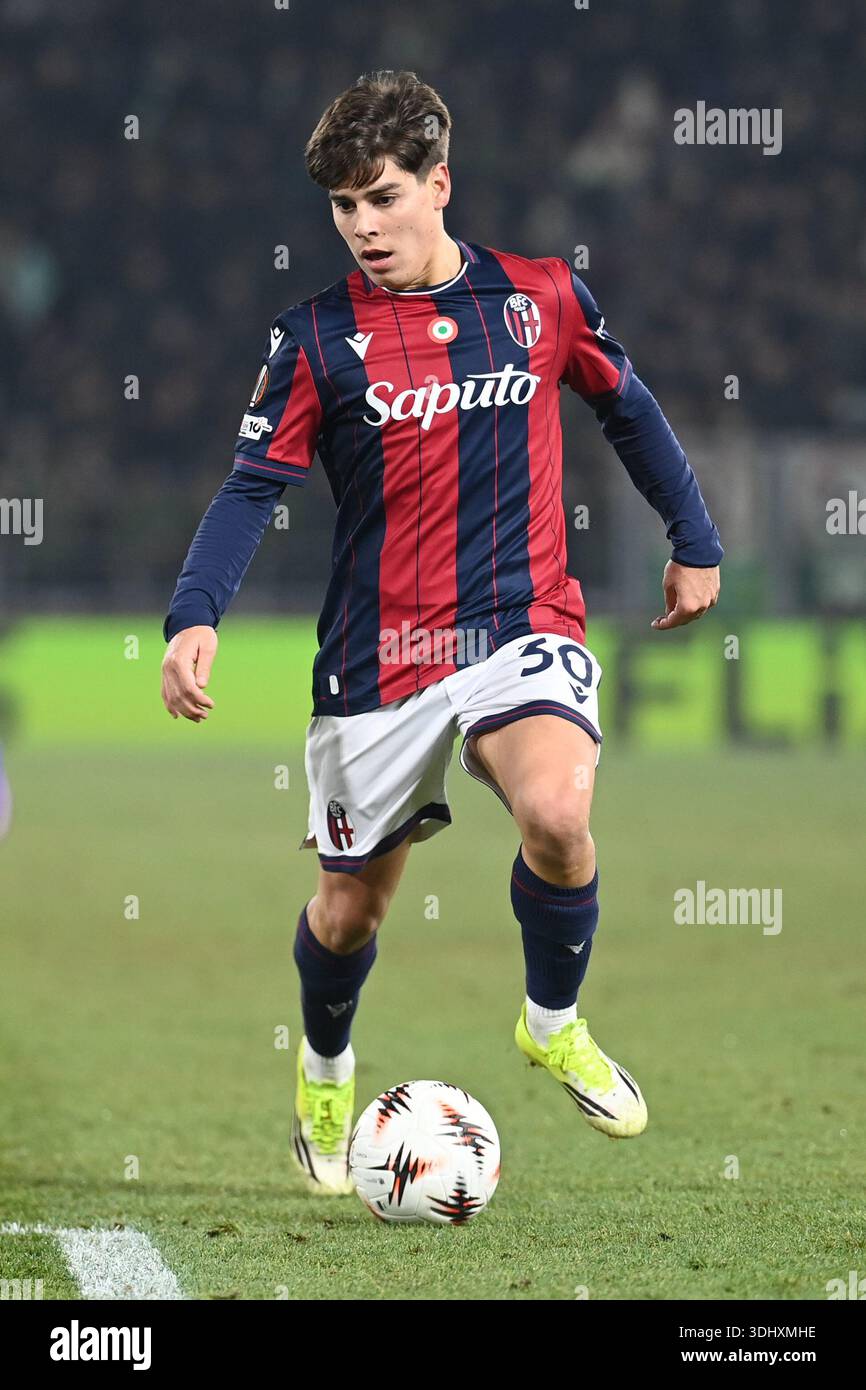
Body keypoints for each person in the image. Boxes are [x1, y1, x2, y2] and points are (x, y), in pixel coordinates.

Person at [162, 70, 722, 1195]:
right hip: (377, 657)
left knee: (560, 811)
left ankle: (550, 1019)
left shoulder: (540, 300)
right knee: (347, 908)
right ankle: (325, 1069)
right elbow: (246, 488)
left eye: (380, 197)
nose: (362, 226)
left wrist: (691, 533)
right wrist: (193, 615)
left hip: (517, 622)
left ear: (438, 185)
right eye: (340, 207)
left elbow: (628, 403)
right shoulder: (315, 339)